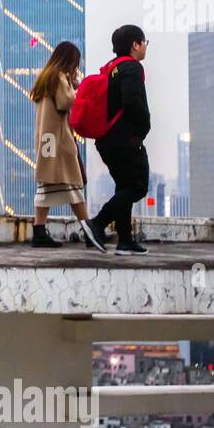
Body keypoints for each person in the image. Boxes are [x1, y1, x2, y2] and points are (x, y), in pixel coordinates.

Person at [29, 41, 104, 251]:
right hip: (59, 140)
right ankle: (90, 232)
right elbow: (66, 102)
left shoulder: (46, 76)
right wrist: (75, 85)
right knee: (73, 185)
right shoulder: (59, 76)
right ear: (69, 60)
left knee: (47, 186)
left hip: (47, 139)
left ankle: (39, 232)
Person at [89, 24, 151, 255]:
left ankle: (125, 239)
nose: (145, 47)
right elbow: (132, 101)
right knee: (137, 187)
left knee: (124, 186)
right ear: (135, 44)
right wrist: (144, 127)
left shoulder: (111, 68)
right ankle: (97, 222)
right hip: (125, 140)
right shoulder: (132, 68)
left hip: (106, 139)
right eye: (144, 42)